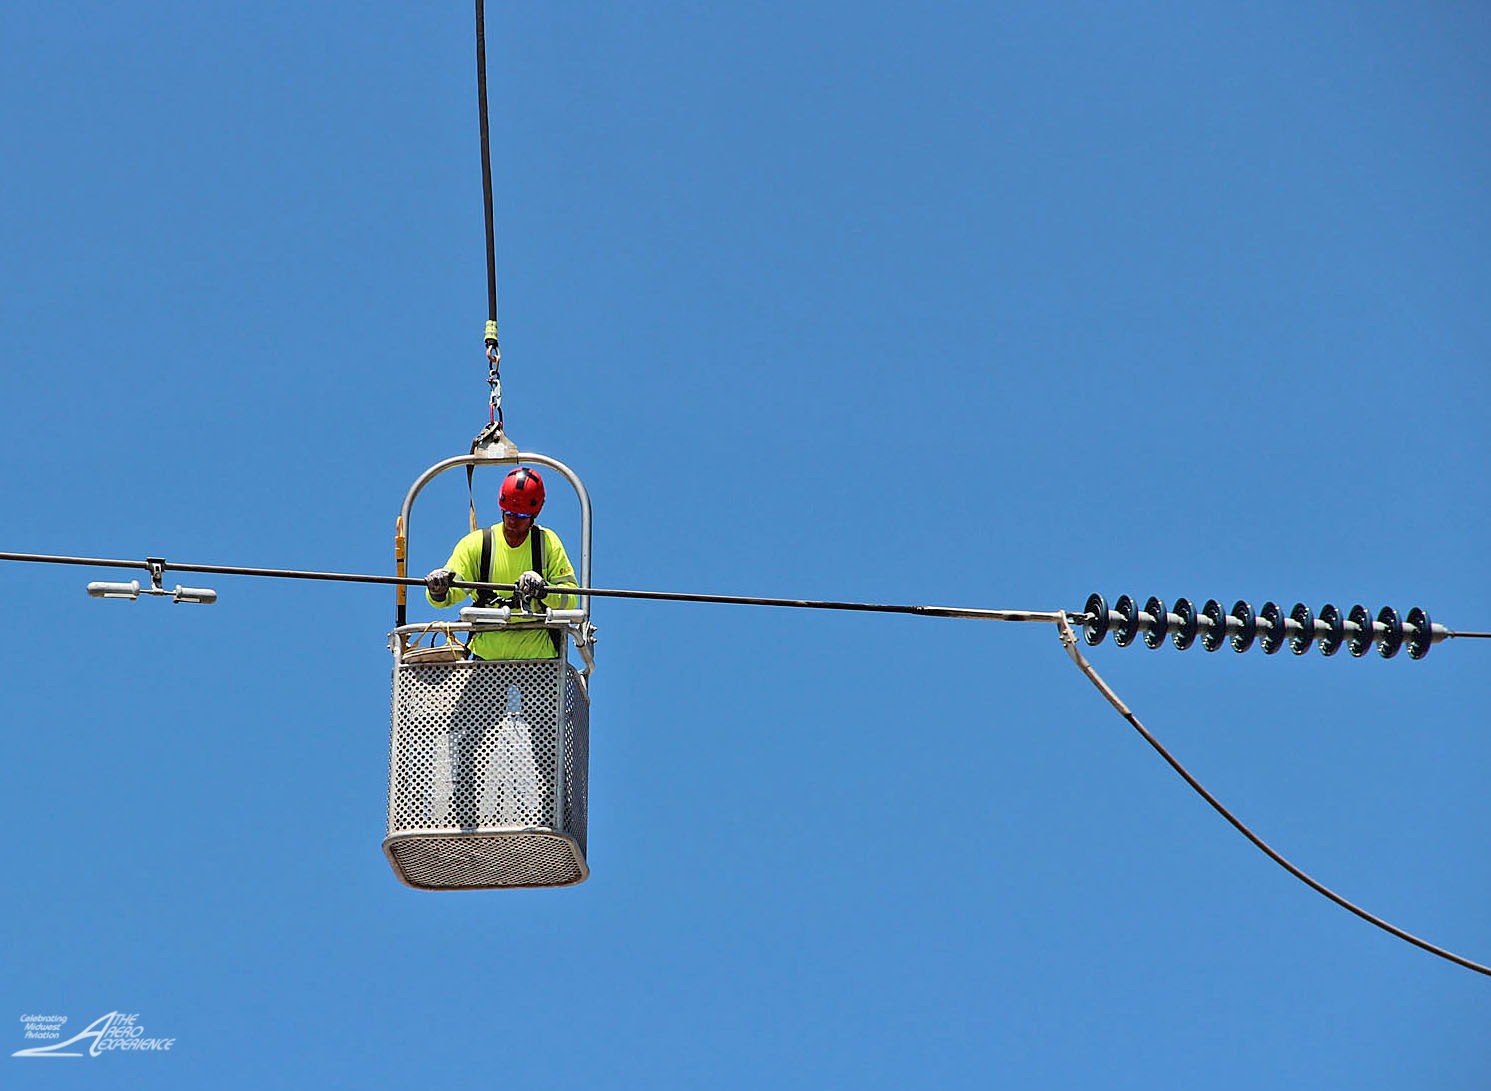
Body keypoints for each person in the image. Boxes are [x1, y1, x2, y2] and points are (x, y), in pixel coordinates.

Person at [424, 466, 578, 660]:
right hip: (487, 659)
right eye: (509, 513)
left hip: (540, 659)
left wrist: (543, 590)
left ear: (534, 514)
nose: (513, 521)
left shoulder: (546, 544)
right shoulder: (477, 545)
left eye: (521, 516)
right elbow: (448, 594)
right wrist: (438, 589)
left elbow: (570, 599)